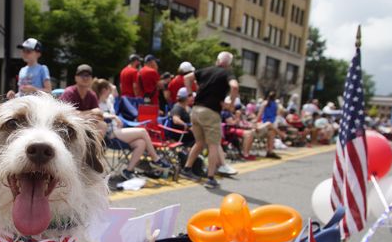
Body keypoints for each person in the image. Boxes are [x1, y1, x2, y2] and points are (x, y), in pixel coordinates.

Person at [72, 73, 170, 180]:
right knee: (142, 132)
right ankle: (156, 159)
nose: (111, 90)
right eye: (109, 88)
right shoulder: (97, 101)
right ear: (104, 90)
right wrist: (113, 116)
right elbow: (98, 114)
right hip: (110, 133)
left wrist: (112, 87)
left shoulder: (109, 100)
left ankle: (128, 171)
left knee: (141, 142)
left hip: (117, 131)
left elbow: (115, 92)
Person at [180, 51, 239, 189]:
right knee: (213, 145)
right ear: (228, 64)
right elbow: (235, 86)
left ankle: (187, 169)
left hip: (196, 110)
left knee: (199, 142)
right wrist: (231, 104)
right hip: (211, 112)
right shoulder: (227, 74)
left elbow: (187, 78)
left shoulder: (206, 70)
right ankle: (210, 177)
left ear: (217, 60)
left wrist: (190, 93)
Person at [252, 91, 281, 159]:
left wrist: (256, 120)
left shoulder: (265, 103)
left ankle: (270, 151)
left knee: (271, 133)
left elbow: (260, 113)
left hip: (265, 122)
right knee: (272, 132)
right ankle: (270, 151)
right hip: (272, 122)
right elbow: (277, 114)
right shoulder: (275, 104)